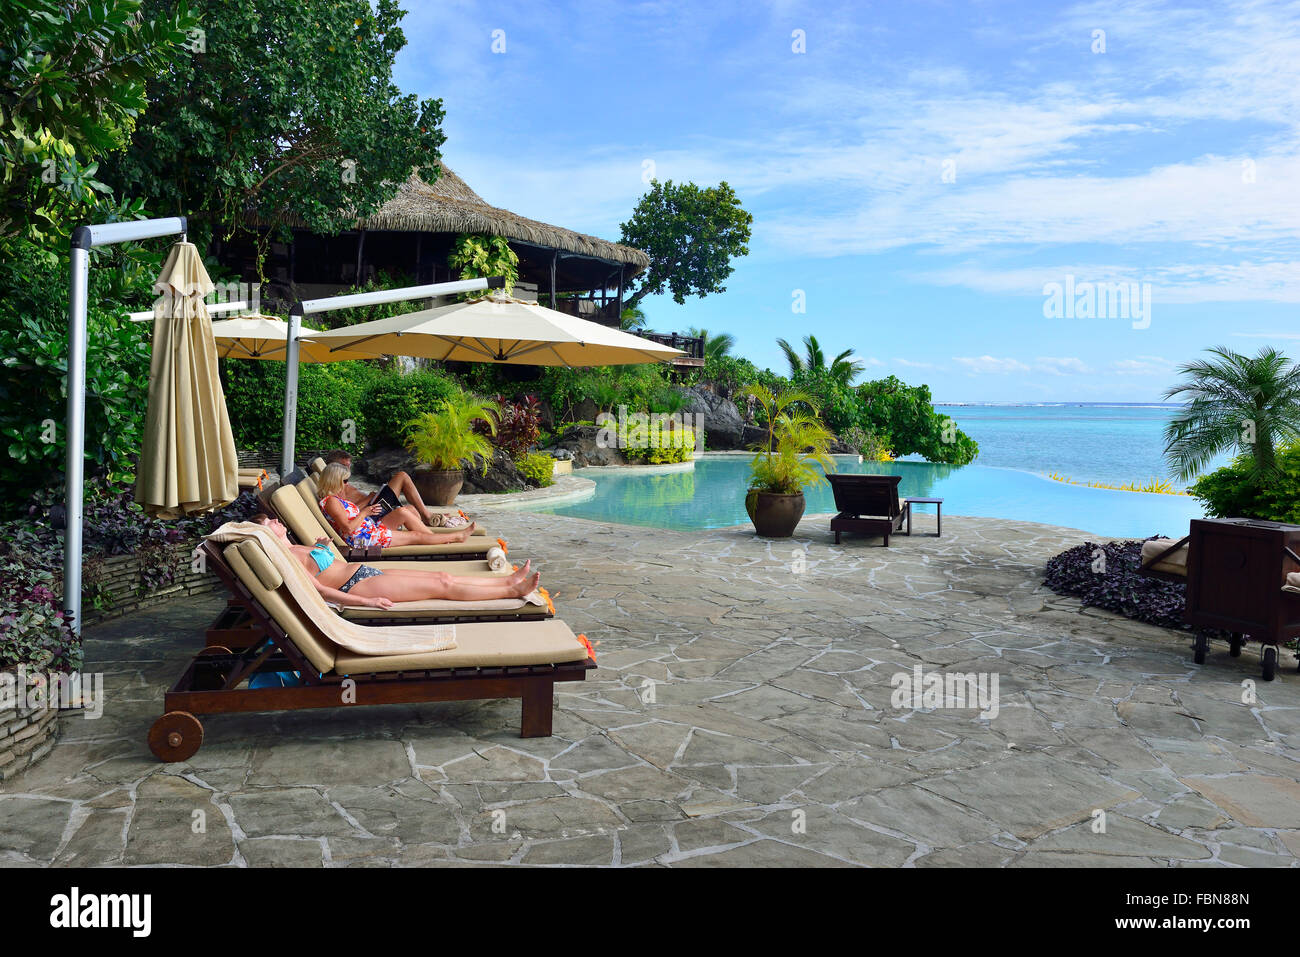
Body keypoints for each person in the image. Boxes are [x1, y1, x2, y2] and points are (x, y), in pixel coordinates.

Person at [250, 514, 537, 606]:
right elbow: (321, 590)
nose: (276, 519)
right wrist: (368, 603)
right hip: (357, 587)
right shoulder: (288, 559)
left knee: (442, 577)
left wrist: (319, 547)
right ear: (266, 534)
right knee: (442, 586)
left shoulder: (297, 547)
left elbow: (321, 566)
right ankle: (512, 591)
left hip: (365, 571)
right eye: (270, 522)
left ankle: (508, 580)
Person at [316, 463, 475, 549]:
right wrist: (365, 512)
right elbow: (348, 529)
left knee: (406, 513)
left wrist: (367, 510)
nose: (347, 484)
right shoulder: (331, 501)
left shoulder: (334, 499)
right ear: (334, 481)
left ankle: (439, 540)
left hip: (369, 529)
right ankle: (455, 537)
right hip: (364, 538)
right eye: (345, 481)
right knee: (415, 537)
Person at [323, 449, 448, 527]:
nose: (348, 470)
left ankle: (425, 519)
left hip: (374, 506)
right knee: (402, 477)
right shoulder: (335, 489)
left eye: (349, 466)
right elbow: (349, 513)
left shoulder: (341, 482)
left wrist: (372, 498)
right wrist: (369, 499)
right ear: (333, 467)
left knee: (411, 509)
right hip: (371, 515)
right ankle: (427, 519)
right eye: (345, 466)